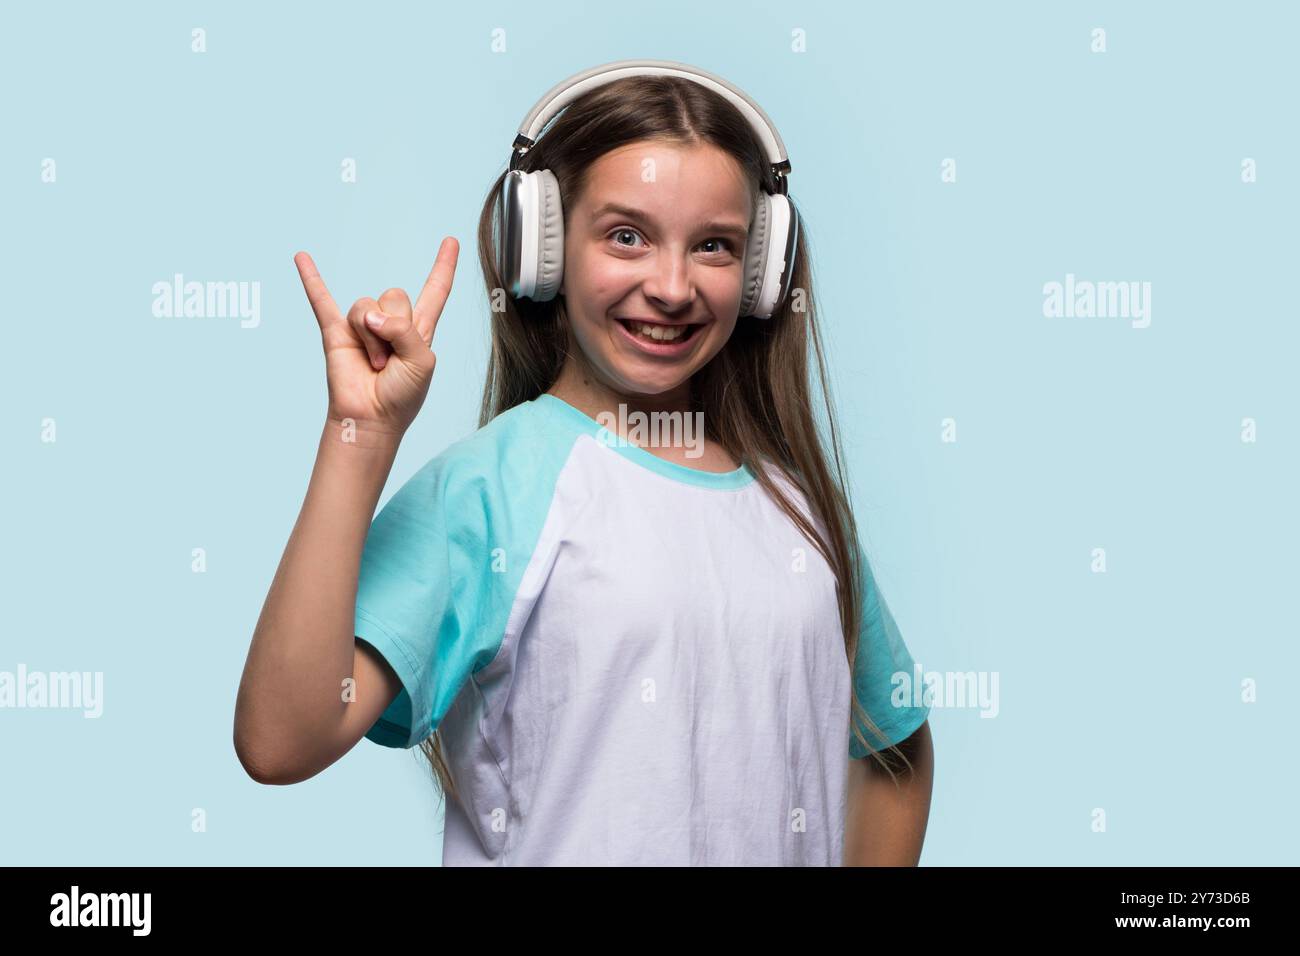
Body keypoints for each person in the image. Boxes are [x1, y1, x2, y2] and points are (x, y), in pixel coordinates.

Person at [234, 60, 934, 866]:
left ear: (760, 274)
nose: (671, 287)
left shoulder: (800, 512)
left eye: (713, 246)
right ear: (547, 248)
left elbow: (896, 745)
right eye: (626, 235)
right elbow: (280, 742)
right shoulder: (493, 488)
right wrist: (359, 437)